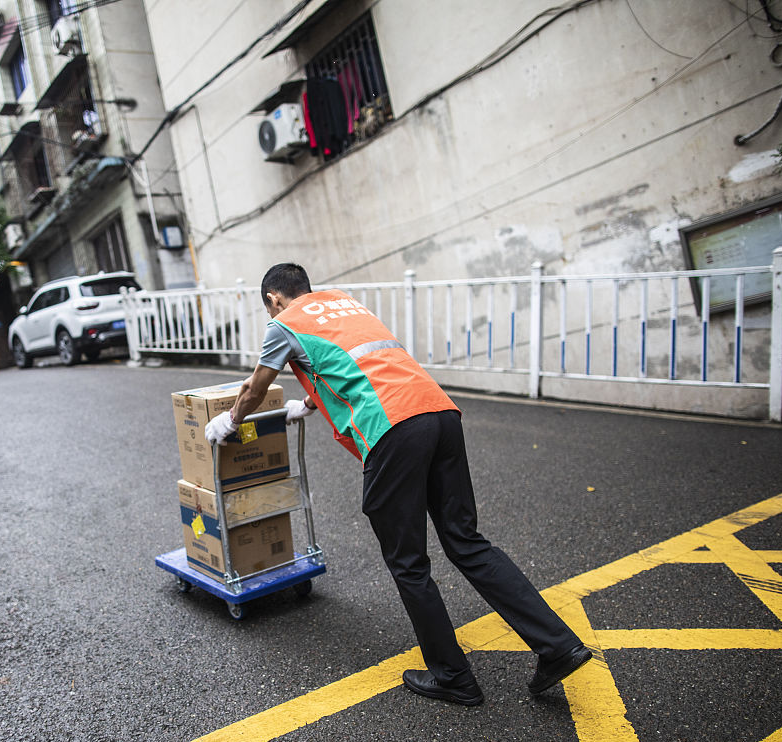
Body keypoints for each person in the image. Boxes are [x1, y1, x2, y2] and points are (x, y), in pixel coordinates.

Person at [204, 263, 591, 705]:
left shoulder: (283, 322)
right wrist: (309, 403)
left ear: (274, 299)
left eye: (269, 307)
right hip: (439, 413)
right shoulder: (346, 305)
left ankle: (453, 676)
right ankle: (558, 646)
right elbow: (360, 362)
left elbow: (255, 388)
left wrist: (231, 420)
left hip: (392, 428)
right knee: (467, 542)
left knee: (408, 563)